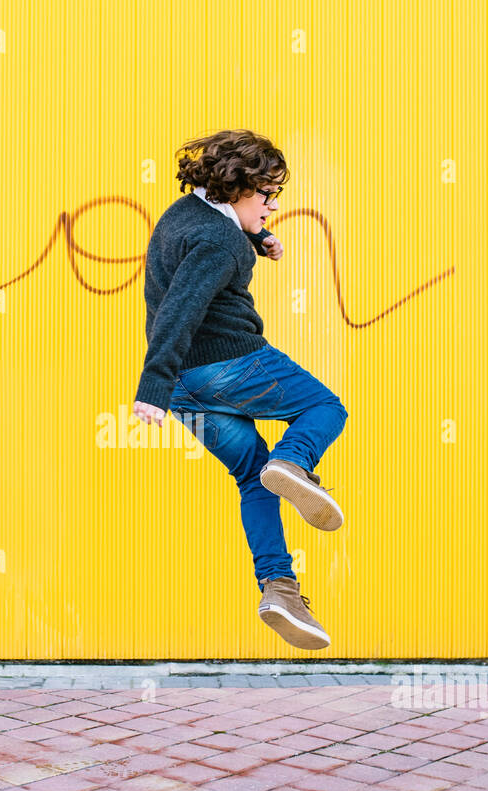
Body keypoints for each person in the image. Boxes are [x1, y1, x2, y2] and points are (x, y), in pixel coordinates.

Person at [132, 129, 348, 650]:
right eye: (266, 196)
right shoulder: (221, 242)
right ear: (236, 189)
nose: (273, 207)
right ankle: (294, 461)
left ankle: (280, 588)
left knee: (254, 478)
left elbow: (197, 250)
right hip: (225, 363)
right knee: (325, 407)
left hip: (189, 392)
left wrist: (254, 239)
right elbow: (183, 306)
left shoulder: (182, 215)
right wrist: (150, 386)